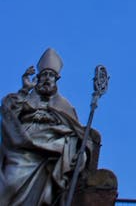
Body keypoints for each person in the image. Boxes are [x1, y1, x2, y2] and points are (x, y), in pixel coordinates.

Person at [0, 49, 88, 206]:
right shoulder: (25, 97)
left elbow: (78, 134)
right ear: (38, 78)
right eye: (44, 75)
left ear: (56, 79)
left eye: (51, 75)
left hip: (48, 150)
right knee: (9, 184)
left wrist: (80, 151)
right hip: (19, 146)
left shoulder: (64, 106)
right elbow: (8, 112)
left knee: (43, 194)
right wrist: (25, 89)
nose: (47, 78)